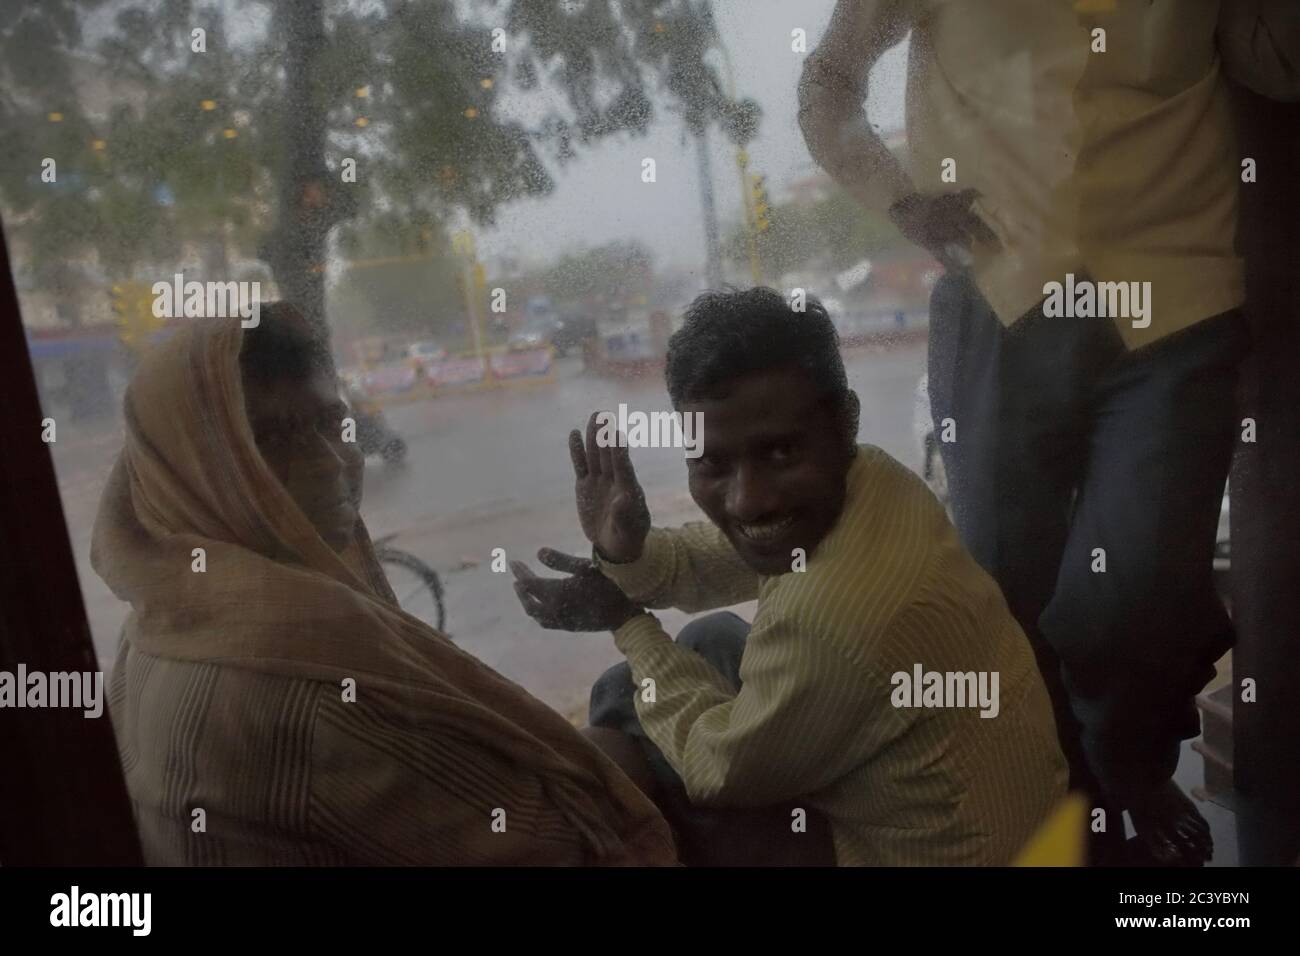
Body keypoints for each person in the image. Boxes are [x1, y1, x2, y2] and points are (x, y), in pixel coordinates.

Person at [798, 0, 1300, 865]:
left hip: (1176, 304)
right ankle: (1063, 796)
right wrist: (900, 199)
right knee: (1004, 585)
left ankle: (1130, 761)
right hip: (1000, 298)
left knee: (1137, 590)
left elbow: (1278, 65)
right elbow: (829, 79)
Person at [92, 303, 675, 866]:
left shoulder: (155, 630)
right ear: (189, 474)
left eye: (330, 424)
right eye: (269, 440)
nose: (328, 462)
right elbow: (570, 843)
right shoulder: (314, 686)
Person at [512, 288, 1068, 866]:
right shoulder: (873, 478)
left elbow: (713, 768)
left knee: (627, 723)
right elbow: (735, 555)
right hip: (996, 811)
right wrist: (626, 555)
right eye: (712, 463)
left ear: (845, 421)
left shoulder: (835, 623)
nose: (748, 501)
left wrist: (624, 619)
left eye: (779, 453)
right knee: (703, 645)